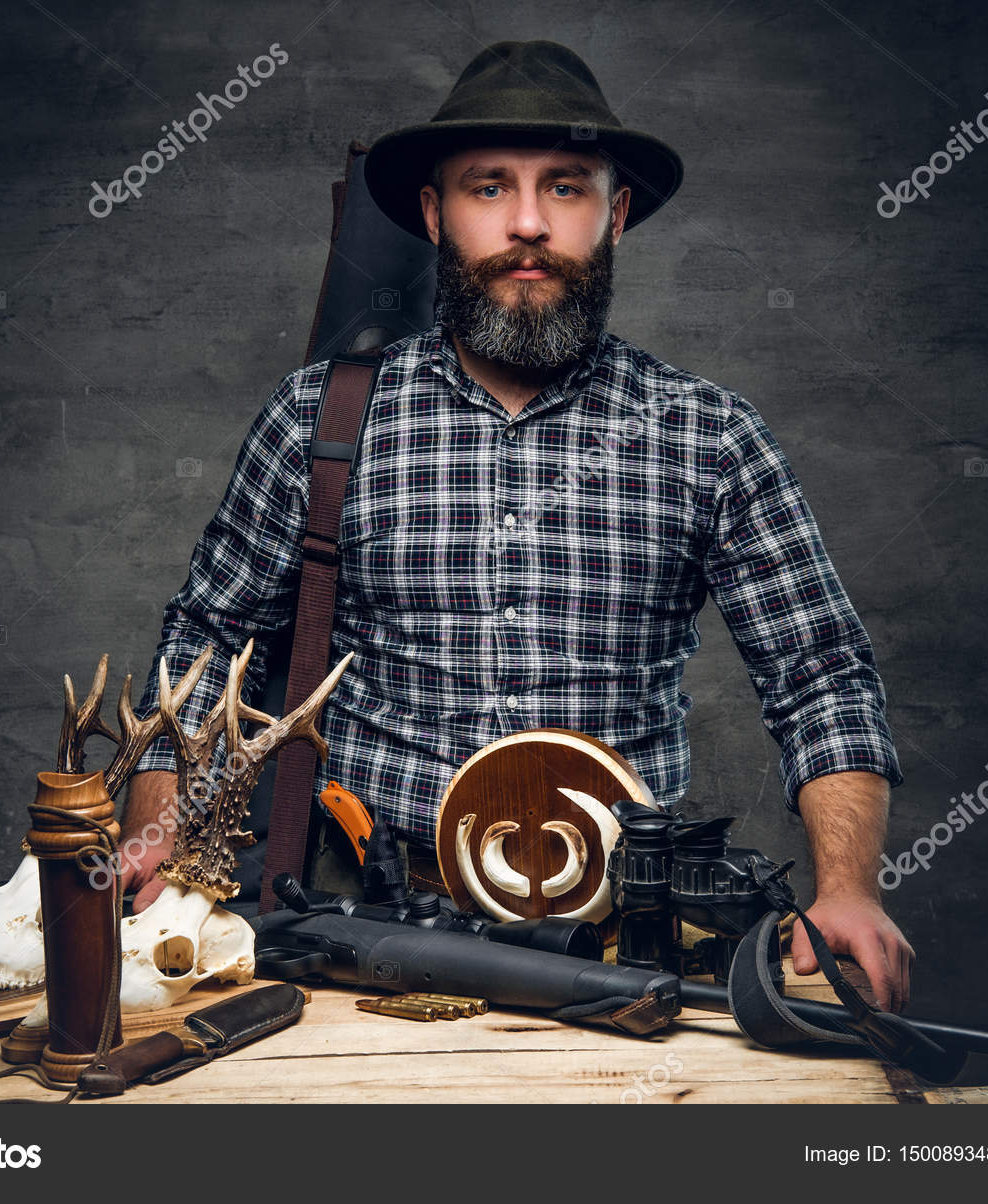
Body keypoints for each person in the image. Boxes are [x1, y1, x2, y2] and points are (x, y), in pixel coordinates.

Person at [120, 40, 914, 1011]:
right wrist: (159, 834)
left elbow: (819, 670)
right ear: (432, 212)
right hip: (355, 936)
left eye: (567, 189)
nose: (529, 224)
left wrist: (847, 890)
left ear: (613, 214)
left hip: (624, 938)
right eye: (489, 188)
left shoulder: (709, 436)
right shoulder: (318, 420)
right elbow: (203, 640)